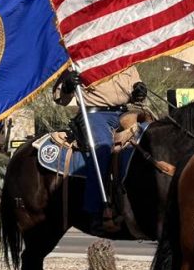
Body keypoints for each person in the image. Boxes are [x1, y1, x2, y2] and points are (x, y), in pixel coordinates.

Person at [53, 64, 147, 233]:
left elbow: (136, 92)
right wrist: (68, 86)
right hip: (94, 114)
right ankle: (95, 212)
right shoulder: (80, 58)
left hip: (124, 113)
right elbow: (61, 98)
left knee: (152, 138)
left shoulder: (125, 57)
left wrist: (139, 92)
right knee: (102, 149)